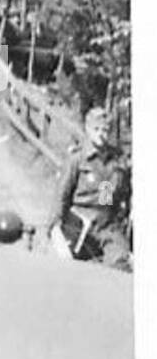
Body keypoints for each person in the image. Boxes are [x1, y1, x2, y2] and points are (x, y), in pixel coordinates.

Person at [51, 108, 131, 268]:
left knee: (120, 264)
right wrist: (54, 227)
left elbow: (114, 196)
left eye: (105, 130)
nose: (101, 134)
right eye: (97, 129)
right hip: (78, 224)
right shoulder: (77, 159)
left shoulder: (114, 161)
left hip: (105, 225)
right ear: (88, 129)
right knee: (70, 267)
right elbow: (62, 195)